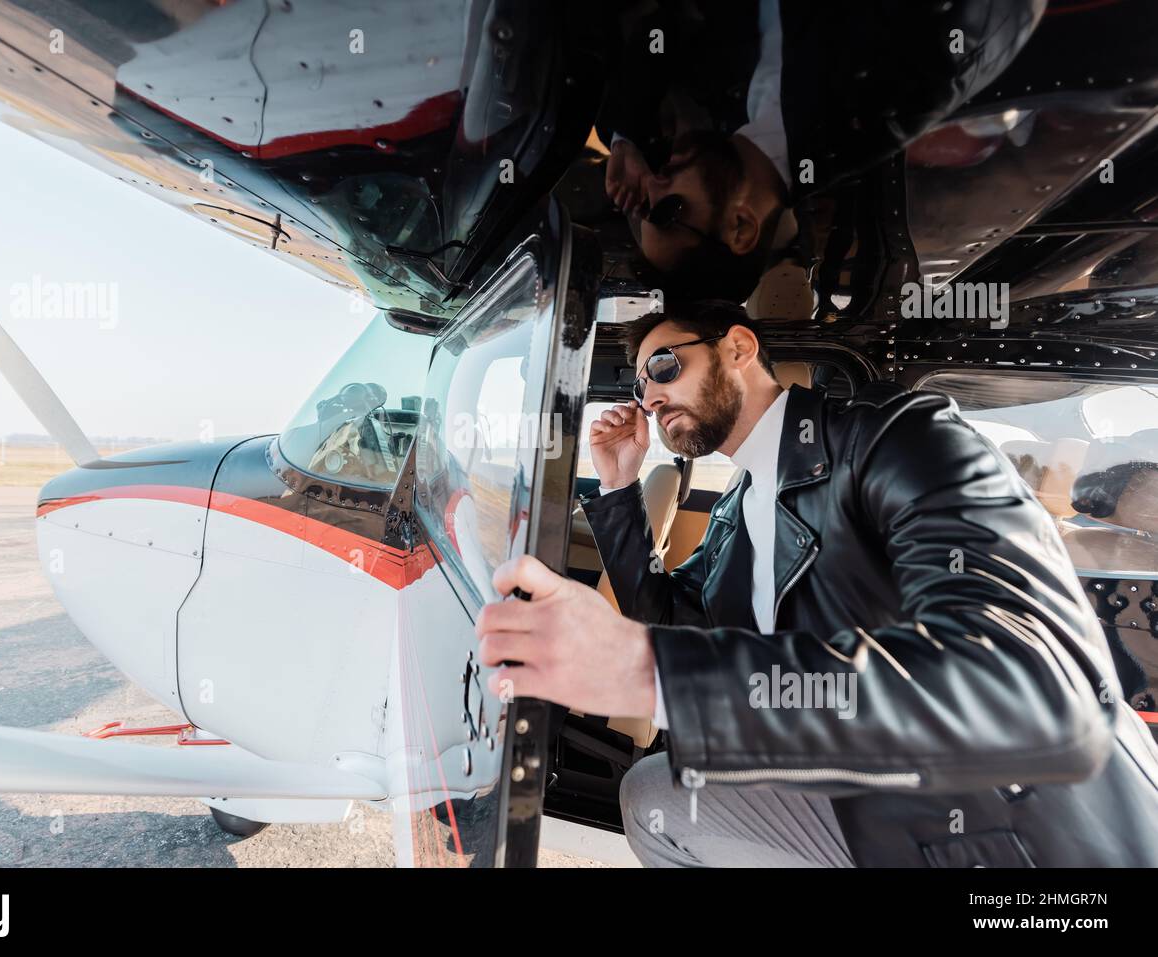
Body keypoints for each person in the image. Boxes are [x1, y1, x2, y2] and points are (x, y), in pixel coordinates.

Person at [474, 300, 1158, 866]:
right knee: (656, 796)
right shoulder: (736, 509)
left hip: (1009, 823)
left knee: (658, 795)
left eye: (663, 365)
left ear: (739, 346)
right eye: (638, 386)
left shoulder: (897, 438)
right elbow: (671, 621)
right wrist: (622, 483)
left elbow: (1022, 680)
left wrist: (649, 671)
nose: (648, 395)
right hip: (859, 785)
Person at [597, 0, 1045, 302]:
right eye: (668, 211)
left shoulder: (718, 109)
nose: (654, 184)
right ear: (740, 227)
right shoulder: (888, 104)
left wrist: (626, 138)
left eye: (642, 208)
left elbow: (666, 26)